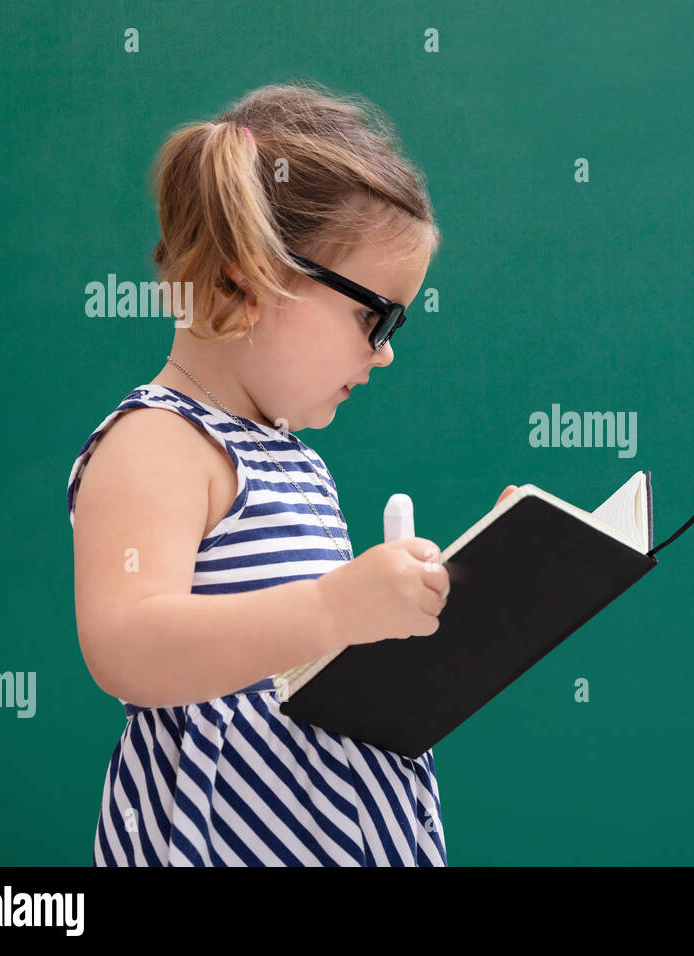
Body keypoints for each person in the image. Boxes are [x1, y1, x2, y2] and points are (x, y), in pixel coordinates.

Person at [66, 81, 515, 866]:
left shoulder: (294, 460)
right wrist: (331, 609)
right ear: (248, 279)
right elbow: (124, 647)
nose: (385, 352)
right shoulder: (157, 443)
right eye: (375, 317)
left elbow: (307, 669)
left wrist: (433, 605)